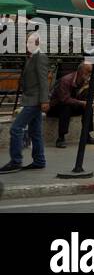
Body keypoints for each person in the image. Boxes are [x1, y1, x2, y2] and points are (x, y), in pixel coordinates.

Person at [1, 33, 49, 173]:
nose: (27, 44)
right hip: (31, 99)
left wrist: (45, 100)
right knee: (35, 132)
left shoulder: (40, 57)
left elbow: (43, 80)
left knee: (15, 128)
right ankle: (39, 160)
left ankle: (16, 162)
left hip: (34, 101)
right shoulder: (32, 57)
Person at [51, 62, 94, 148]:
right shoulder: (66, 80)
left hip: (73, 105)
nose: (89, 74)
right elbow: (64, 99)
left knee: (88, 108)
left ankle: (86, 135)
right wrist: (81, 103)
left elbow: (85, 98)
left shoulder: (86, 81)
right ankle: (61, 138)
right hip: (56, 106)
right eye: (88, 71)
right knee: (66, 107)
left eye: (90, 72)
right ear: (81, 71)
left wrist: (87, 102)